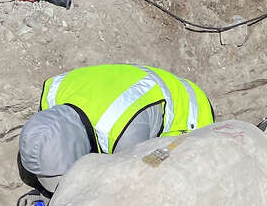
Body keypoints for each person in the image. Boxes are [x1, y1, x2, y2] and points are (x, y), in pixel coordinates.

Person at [17, 63, 214, 197]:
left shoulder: (124, 133)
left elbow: (127, 189)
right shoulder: (52, 94)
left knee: (158, 182)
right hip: (133, 86)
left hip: (187, 114)